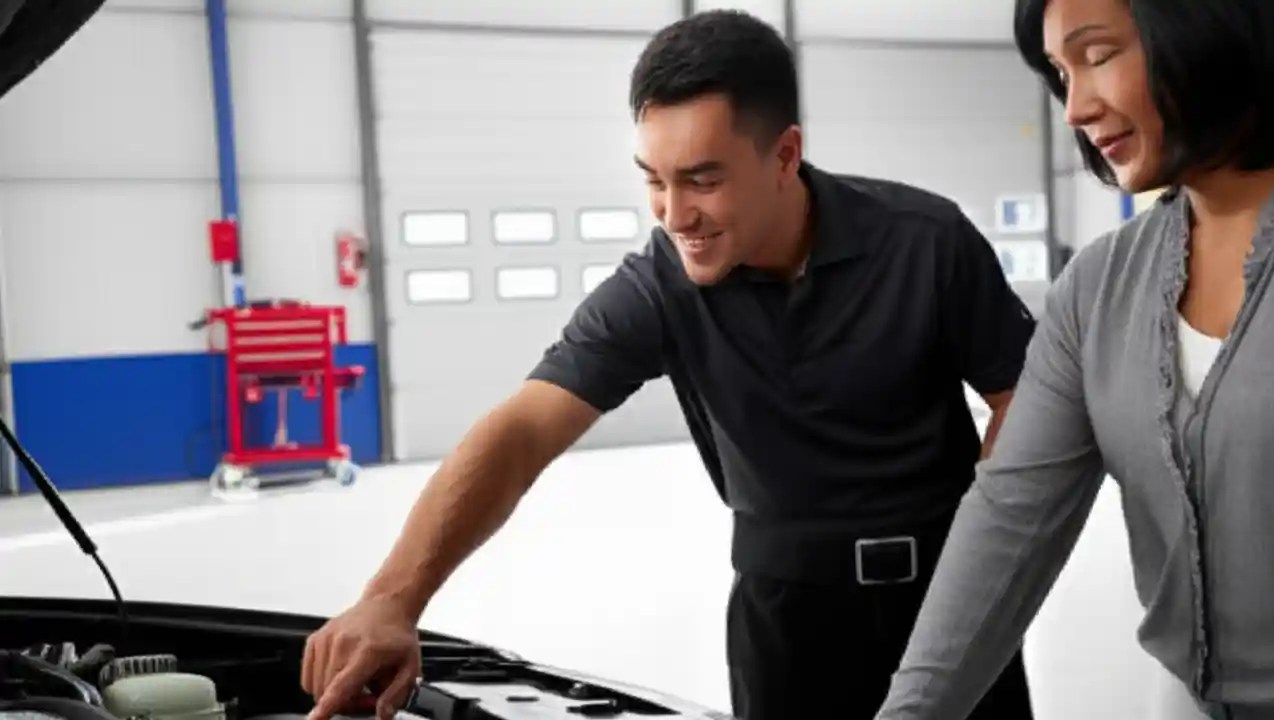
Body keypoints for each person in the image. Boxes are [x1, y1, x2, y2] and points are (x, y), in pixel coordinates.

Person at [300, 10, 1038, 720]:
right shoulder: (659, 286)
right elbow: (525, 429)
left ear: (784, 155)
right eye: (654, 178)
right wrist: (394, 597)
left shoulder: (927, 242)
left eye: (702, 179)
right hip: (787, 630)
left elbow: (1022, 395)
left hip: (953, 606)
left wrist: (984, 552)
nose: (672, 213)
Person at [873, 0, 1274, 719]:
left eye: (1098, 56)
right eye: (1062, 74)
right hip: (1188, 698)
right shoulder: (1097, 287)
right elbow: (1009, 517)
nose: (1075, 108)